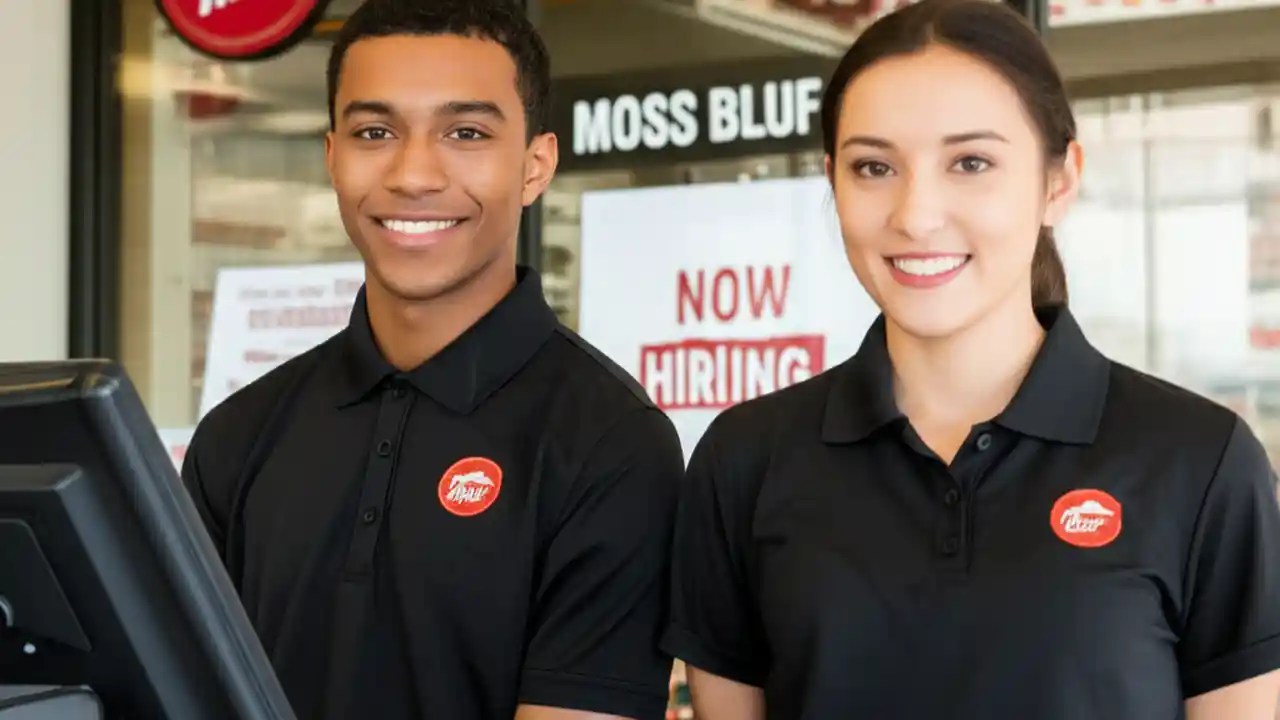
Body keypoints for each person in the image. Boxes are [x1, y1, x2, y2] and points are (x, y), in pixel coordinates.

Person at [660, 0, 1280, 718]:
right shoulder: (746, 461)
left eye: (972, 162)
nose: (917, 215)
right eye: (873, 167)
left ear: (1060, 180)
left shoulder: (1197, 462)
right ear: (831, 179)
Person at [181, 1, 684, 719]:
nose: (413, 174)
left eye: (466, 132)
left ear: (535, 166)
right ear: (332, 157)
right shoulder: (239, 436)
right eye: (375, 131)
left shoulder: (611, 445)